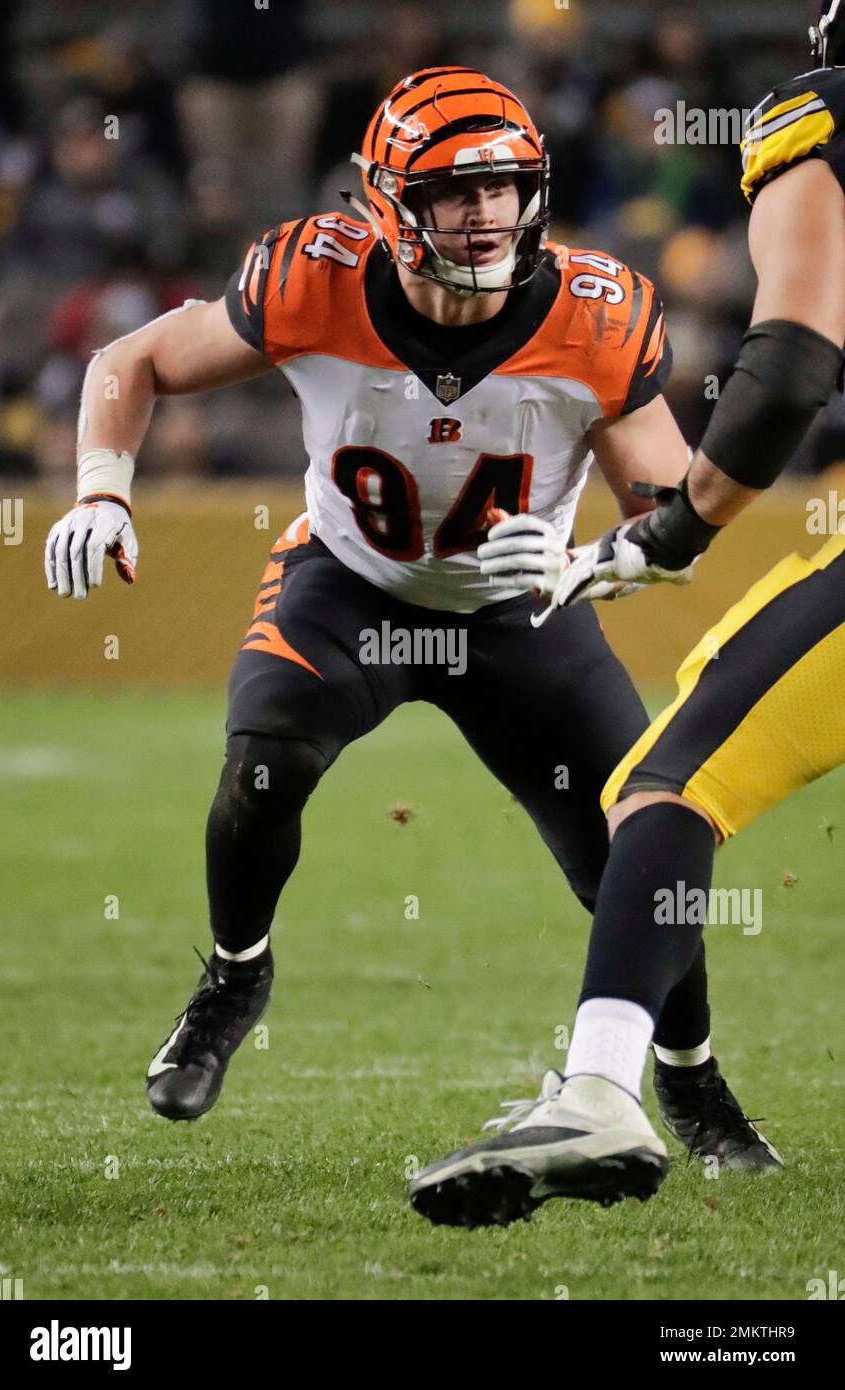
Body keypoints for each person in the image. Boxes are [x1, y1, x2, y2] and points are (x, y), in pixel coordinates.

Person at [44, 67, 764, 1172]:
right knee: (261, 764)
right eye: (453, 193)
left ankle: (691, 1078)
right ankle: (237, 971)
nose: (486, 216)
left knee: (639, 844)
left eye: (505, 188)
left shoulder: (591, 313)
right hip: (348, 581)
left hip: (522, 612)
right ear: (386, 200)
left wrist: (588, 562)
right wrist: (101, 484)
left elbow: (672, 514)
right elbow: (129, 359)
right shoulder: (311, 280)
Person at [408, 8, 845, 1227]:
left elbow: (790, 370)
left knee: (665, 781)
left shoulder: (821, 116)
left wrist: (674, 529)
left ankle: (602, 1085)